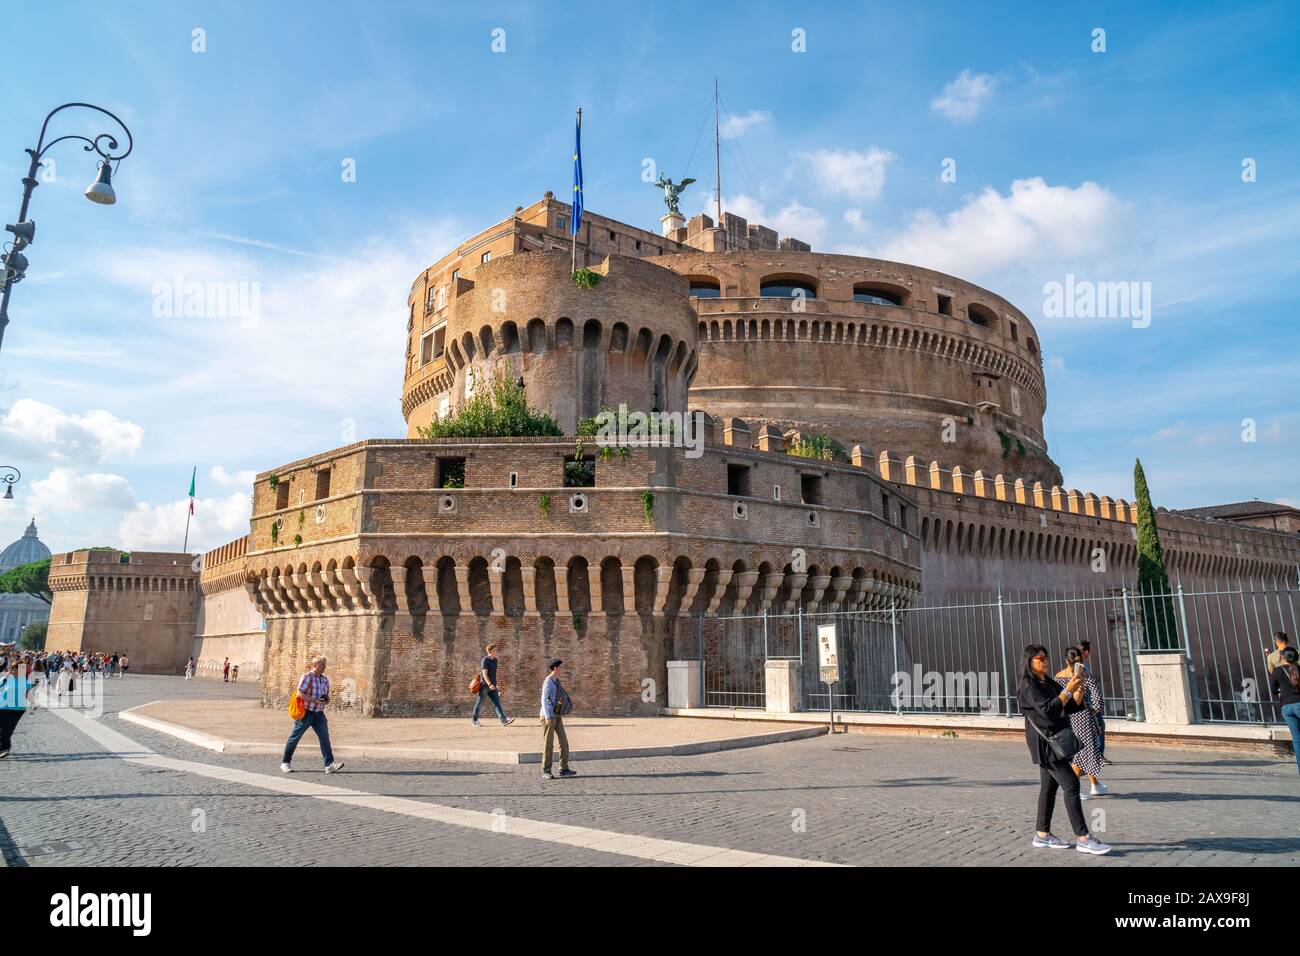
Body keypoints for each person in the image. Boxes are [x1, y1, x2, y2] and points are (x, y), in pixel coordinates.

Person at [1017, 644, 1112, 855]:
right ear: (1030, 661)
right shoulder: (1028, 684)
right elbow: (1048, 709)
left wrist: (1077, 689)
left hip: (1055, 740)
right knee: (1071, 785)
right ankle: (1083, 837)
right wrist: (1068, 690)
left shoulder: (1047, 681)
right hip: (1046, 744)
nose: (1045, 660)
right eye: (1040, 658)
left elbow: (1068, 706)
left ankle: (1042, 834)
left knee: (1048, 789)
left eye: (1046, 657)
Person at [1056, 646, 1109, 799]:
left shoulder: (1058, 677)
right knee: (1084, 753)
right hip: (1083, 718)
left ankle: (1095, 785)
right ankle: (1072, 789)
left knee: (1081, 753)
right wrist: (1093, 710)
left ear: (1066, 661)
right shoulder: (1085, 676)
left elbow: (1058, 699)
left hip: (1066, 719)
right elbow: (1098, 699)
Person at [280, 655, 345, 774]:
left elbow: (326, 696)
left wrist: (326, 700)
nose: (325, 667)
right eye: (323, 665)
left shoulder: (324, 679)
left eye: (325, 664)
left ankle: (329, 764)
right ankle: (285, 762)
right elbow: (300, 694)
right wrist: (315, 700)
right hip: (306, 712)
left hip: (319, 713)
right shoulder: (307, 677)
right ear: (315, 665)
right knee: (295, 737)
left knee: (325, 738)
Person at [539, 659, 576, 780]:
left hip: (556, 715)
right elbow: (543, 700)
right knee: (548, 744)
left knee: (564, 742)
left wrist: (559, 715)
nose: (562, 669)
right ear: (555, 668)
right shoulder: (548, 682)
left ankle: (563, 769)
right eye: (560, 667)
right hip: (547, 716)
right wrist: (548, 716)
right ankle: (546, 771)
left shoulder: (557, 681)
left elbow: (558, 699)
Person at [1270, 646, 1300, 775]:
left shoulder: (1277, 671)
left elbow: (1273, 690)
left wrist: (1281, 693)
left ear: (1283, 657)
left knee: (1297, 739)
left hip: (1286, 707)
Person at [471, 643, 515, 727]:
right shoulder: (485, 660)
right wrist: (490, 684)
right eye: (495, 650)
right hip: (485, 686)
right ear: (491, 651)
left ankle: (504, 720)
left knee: (497, 703)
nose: (497, 651)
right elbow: (484, 674)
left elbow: (494, 674)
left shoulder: (495, 660)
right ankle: (474, 720)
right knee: (479, 702)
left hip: (493, 686)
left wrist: (496, 685)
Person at [0, 660, 33, 758]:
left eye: (23, 668)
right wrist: (7, 675)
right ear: (13, 669)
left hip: (19, 708)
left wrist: (32, 704)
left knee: (8, 729)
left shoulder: (25, 681)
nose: (22, 670)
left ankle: (4, 748)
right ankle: (4, 747)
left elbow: (28, 693)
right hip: (4, 707)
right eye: (20, 668)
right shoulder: (6, 679)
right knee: (3, 728)